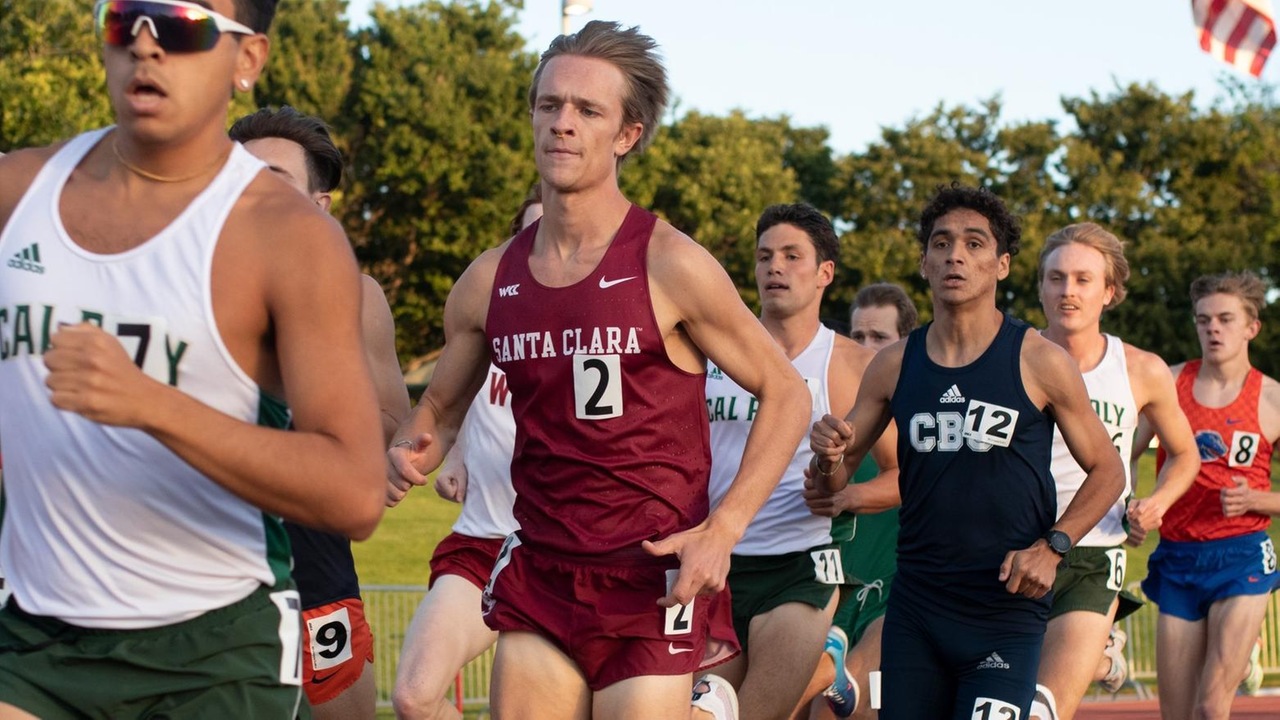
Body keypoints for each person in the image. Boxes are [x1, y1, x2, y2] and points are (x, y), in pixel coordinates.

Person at [385, 20, 812, 720]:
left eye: (588, 111)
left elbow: (787, 392)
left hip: (651, 577)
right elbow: (437, 408)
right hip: (542, 571)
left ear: (627, 135)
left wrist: (724, 529)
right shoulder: (488, 280)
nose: (563, 124)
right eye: (550, 105)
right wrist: (411, 445)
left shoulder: (669, 262)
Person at [0, 0, 385, 716]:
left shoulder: (287, 237)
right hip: (32, 643)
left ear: (247, 61)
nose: (148, 46)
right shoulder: (16, 193)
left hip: (213, 655)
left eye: (180, 24)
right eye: (126, 19)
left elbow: (356, 491)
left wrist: (151, 403)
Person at [808, 183, 1125, 719]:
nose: (955, 254)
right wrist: (829, 457)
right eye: (941, 243)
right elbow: (828, 490)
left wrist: (1054, 547)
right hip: (918, 610)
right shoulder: (893, 365)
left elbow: (1109, 470)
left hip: (1005, 608)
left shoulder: (1039, 360)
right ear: (925, 262)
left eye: (974, 244)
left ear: (1001, 265)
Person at [229, 105, 411, 720]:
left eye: (272, 180)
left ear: (320, 204)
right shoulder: (177, 286)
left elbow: (390, 419)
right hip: (202, 558)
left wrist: (381, 457)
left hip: (315, 557)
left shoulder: (359, 297)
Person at [705, 204, 897, 720]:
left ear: (825, 273)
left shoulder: (853, 365)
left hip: (801, 567)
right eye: (765, 256)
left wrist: (847, 495)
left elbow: (908, 474)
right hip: (711, 567)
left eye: (793, 256)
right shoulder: (714, 350)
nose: (776, 267)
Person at [1029, 223, 1199, 720]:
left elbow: (1185, 454)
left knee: (1041, 710)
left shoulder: (1140, 369)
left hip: (1093, 553)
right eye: (1056, 278)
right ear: (1040, 286)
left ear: (1109, 292)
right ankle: (1103, 650)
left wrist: (1155, 504)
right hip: (1014, 546)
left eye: (1083, 279)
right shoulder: (1010, 356)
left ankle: (1097, 637)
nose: (1067, 291)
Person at [389, 190, 538, 720]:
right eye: (528, 234)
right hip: (480, 543)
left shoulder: (599, 337)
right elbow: (445, 415)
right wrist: (445, 459)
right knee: (413, 696)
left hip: (556, 551)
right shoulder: (484, 330)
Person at [1134, 270, 1280, 720]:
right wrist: (1131, 509)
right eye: (1203, 319)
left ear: (1251, 327)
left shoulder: (1272, 399)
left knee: (1210, 707)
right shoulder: (1168, 385)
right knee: (1177, 715)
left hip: (1242, 556)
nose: (1213, 328)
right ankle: (1241, 655)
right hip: (1178, 558)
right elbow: (1120, 460)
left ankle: (1239, 652)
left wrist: (1259, 500)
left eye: (1225, 319)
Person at [796, 282, 917, 720]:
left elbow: (911, 481)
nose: (865, 348)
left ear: (903, 343)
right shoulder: (834, 414)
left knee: (860, 710)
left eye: (878, 338)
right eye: (858, 336)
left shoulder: (916, 418)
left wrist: (849, 497)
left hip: (893, 589)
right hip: (829, 587)